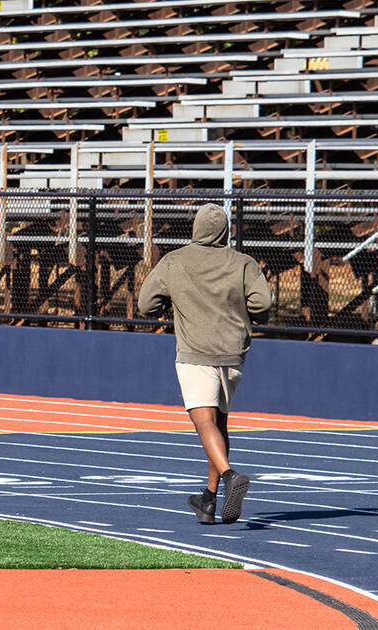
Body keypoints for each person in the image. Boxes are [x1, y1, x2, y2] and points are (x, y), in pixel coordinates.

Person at [137, 202, 272, 525]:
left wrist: (171, 302)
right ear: (226, 231)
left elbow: (146, 304)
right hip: (233, 355)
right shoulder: (243, 263)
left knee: (204, 423)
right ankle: (209, 500)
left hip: (196, 353)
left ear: (196, 229)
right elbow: (263, 303)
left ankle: (229, 476)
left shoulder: (175, 262)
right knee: (220, 423)